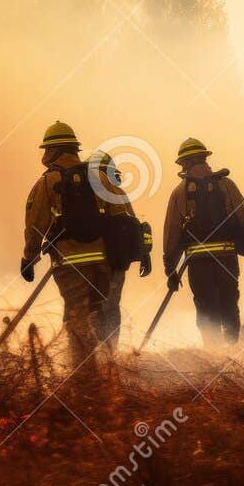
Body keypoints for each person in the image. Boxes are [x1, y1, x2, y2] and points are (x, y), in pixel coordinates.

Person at [22, 121, 110, 365]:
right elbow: (121, 217)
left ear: (55, 150)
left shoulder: (47, 182)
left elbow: (35, 225)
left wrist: (28, 259)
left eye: (47, 150)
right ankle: (108, 363)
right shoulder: (100, 177)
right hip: (102, 264)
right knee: (94, 313)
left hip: (70, 263)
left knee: (76, 318)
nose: (45, 155)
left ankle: (85, 376)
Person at [162, 137, 244, 346]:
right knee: (229, 302)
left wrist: (170, 267)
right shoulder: (226, 184)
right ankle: (232, 349)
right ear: (205, 158)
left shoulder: (180, 192)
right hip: (226, 258)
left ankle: (212, 352)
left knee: (206, 306)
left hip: (198, 262)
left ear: (184, 164)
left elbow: (172, 232)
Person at [89, 149, 152, 349]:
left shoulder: (90, 191)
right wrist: (144, 255)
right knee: (111, 305)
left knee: (94, 305)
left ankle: (95, 350)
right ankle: (111, 350)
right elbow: (134, 226)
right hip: (118, 263)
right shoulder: (120, 194)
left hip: (96, 261)